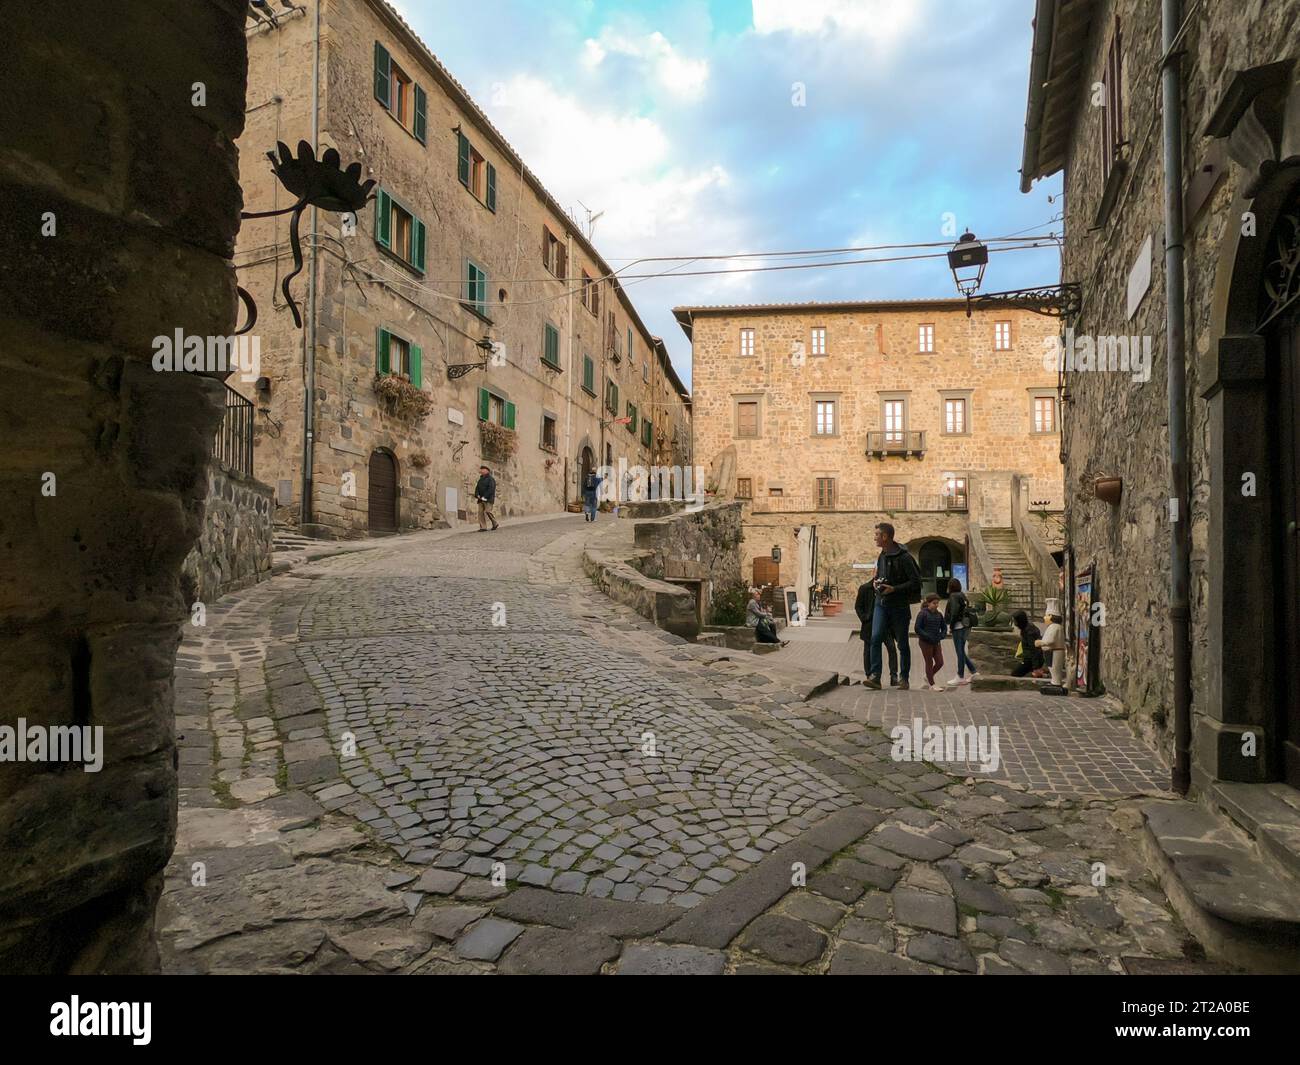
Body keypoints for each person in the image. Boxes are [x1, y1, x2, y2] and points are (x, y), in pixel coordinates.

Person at [863, 522, 922, 690]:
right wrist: (876, 584)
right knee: (875, 638)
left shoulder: (904, 557)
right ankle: (875, 676)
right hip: (881, 603)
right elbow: (881, 576)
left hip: (899, 606)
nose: (874, 538)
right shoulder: (882, 555)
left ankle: (904, 678)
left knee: (902, 644)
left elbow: (916, 582)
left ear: (885, 537)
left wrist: (895, 589)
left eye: (876, 535)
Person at [854, 570, 898, 685]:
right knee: (868, 651)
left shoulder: (887, 588)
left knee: (892, 649)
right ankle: (870, 675)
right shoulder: (865, 588)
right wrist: (865, 618)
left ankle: (894, 677)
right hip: (870, 625)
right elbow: (858, 606)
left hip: (886, 626)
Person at [943, 577, 978, 685]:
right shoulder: (962, 595)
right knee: (961, 651)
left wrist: (951, 626)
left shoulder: (953, 596)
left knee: (959, 651)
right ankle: (973, 671)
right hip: (965, 625)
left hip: (958, 626)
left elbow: (954, 613)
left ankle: (960, 675)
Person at [914, 593, 948, 691]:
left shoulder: (939, 614)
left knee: (940, 662)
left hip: (936, 641)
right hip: (925, 642)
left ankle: (928, 676)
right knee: (929, 662)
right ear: (928, 603)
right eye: (934, 603)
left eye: (937, 603)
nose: (936, 605)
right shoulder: (923, 614)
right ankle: (932, 683)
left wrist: (942, 635)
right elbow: (917, 628)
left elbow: (944, 627)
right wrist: (927, 636)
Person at [1011, 610, 1045, 677]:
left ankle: (1040, 673)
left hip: (1030, 660)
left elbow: (1034, 649)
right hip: (1028, 658)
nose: (1014, 623)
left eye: (1015, 621)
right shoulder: (1026, 629)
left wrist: (1036, 667)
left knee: (1015, 674)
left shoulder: (1029, 631)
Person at [1039, 611, 1067, 686]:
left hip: (1054, 652)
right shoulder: (1053, 627)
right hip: (1051, 651)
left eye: (1047, 616)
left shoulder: (1055, 627)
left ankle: (1056, 682)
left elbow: (1050, 640)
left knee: (1055, 668)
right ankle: (1054, 681)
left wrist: (1041, 642)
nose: (1044, 618)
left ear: (1052, 617)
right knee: (1052, 668)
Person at [474, 465, 500, 532]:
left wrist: (484, 497)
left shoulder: (491, 479)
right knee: (480, 513)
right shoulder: (480, 479)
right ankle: (483, 527)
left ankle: (495, 523)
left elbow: (491, 489)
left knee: (488, 511)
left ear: (487, 470)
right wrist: (477, 495)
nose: (481, 470)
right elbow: (477, 488)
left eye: (482, 469)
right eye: (481, 469)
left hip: (488, 499)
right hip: (480, 500)